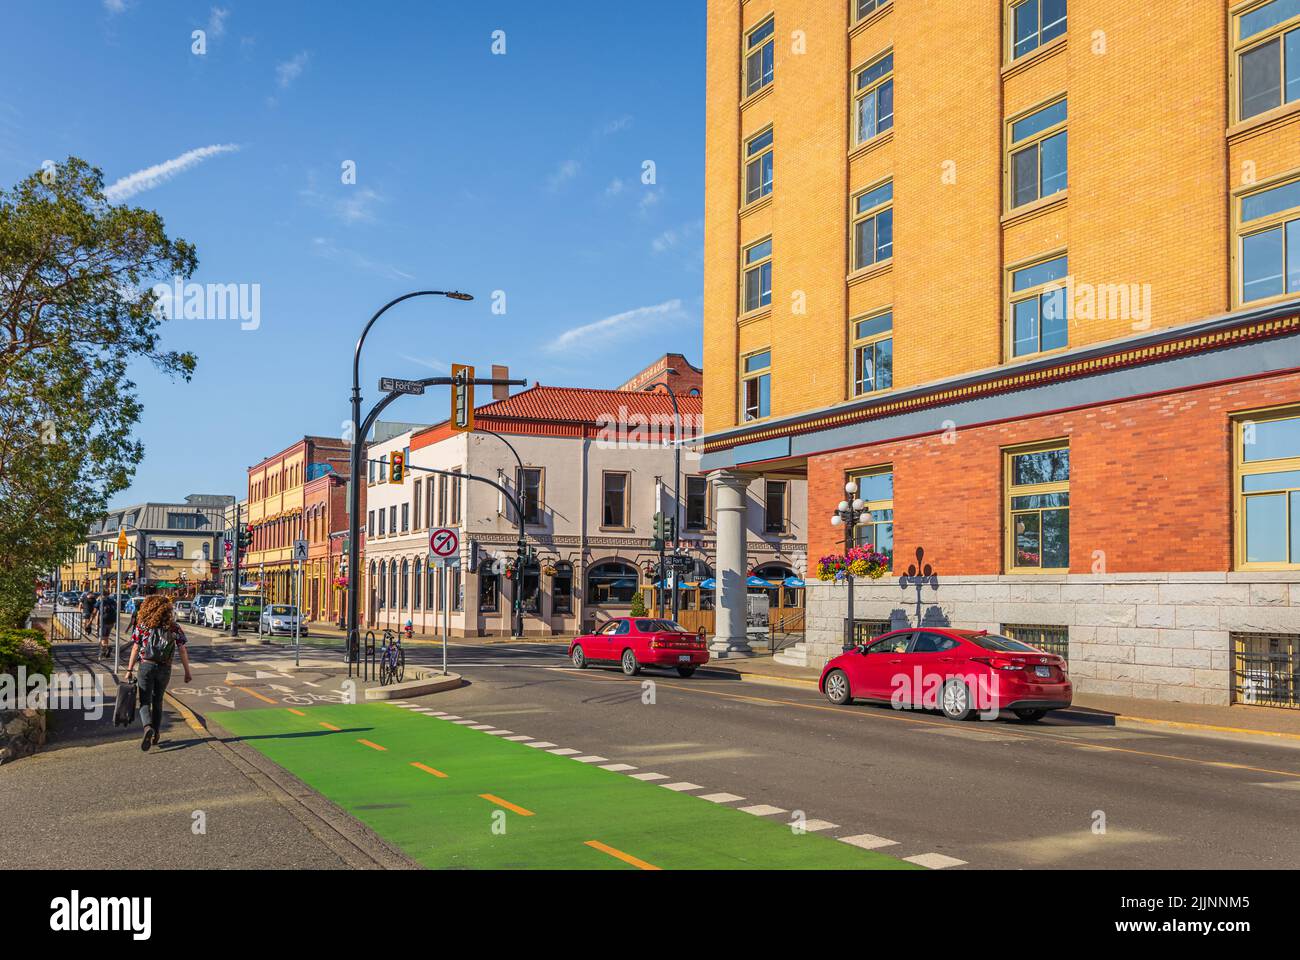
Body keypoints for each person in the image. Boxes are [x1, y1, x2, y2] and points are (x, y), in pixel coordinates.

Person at [124, 596, 192, 751]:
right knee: (158, 701)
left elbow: (135, 648)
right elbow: (182, 649)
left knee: (144, 701)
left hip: (146, 666)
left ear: (147, 608)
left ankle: (147, 727)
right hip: (164, 668)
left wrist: (129, 670)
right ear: (167, 610)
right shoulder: (174, 627)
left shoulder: (142, 626)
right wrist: (187, 672)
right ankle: (156, 734)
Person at [97, 592, 118, 659]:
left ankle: (106, 649)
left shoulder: (101, 601)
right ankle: (105, 652)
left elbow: (96, 613)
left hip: (104, 621)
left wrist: (96, 624)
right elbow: (116, 611)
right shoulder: (113, 601)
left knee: (101, 639)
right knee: (106, 637)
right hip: (111, 622)